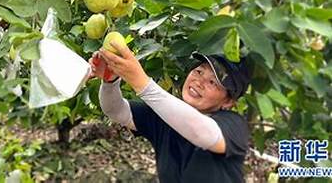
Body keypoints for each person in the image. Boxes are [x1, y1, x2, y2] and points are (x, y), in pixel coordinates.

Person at [89, 41, 252, 183]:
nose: (199, 82)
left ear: (228, 101)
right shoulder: (165, 115)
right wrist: (110, 82)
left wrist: (142, 83)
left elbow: (204, 134)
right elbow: (116, 111)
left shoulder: (234, 125)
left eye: (212, 82)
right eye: (199, 71)